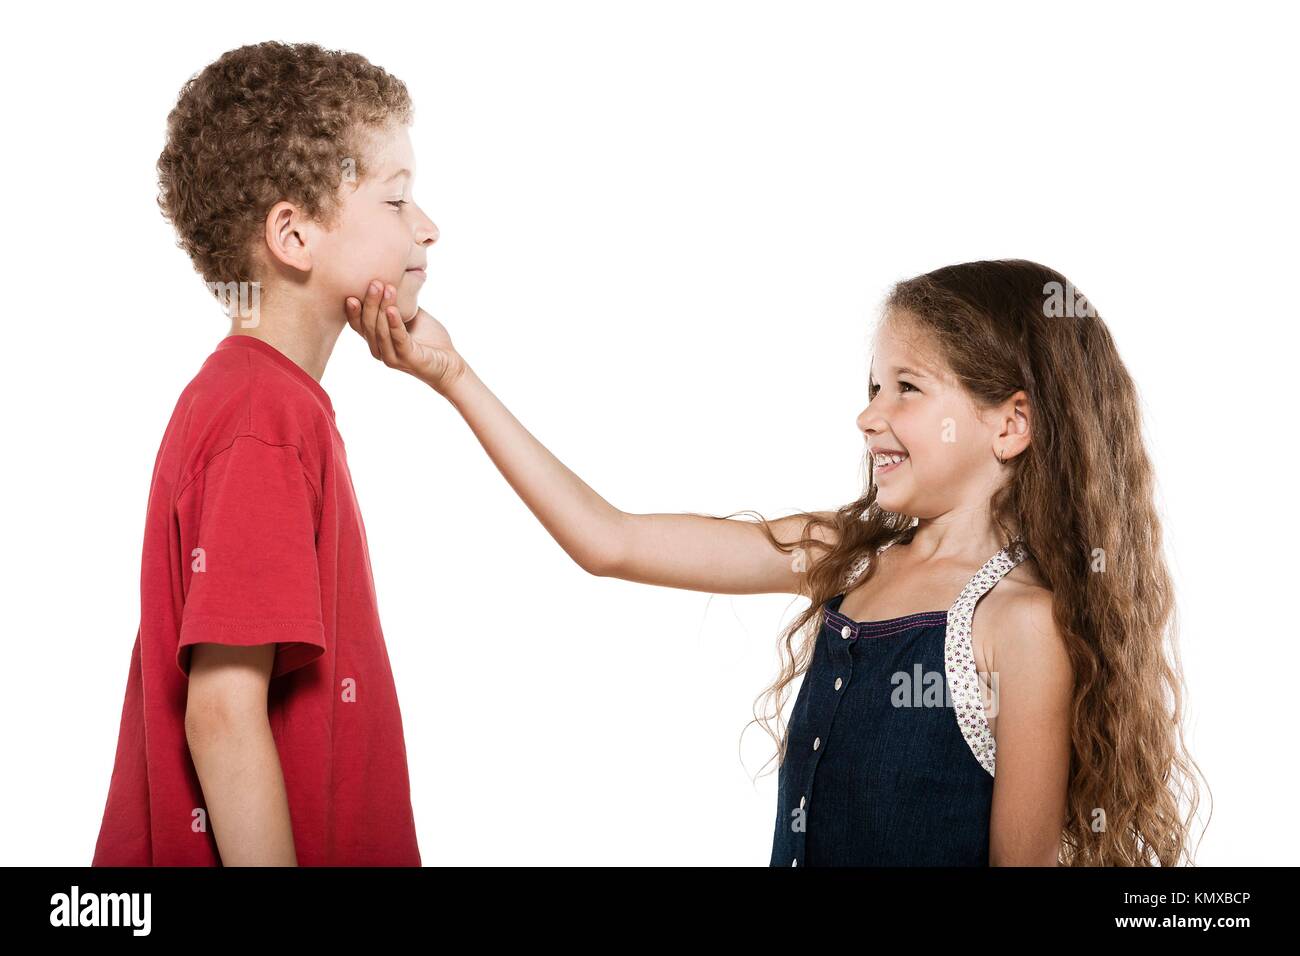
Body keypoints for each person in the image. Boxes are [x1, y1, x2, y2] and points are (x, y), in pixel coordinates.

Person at [345, 257, 1207, 866]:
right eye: (873, 387)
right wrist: (451, 374)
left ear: (1008, 424)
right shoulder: (850, 558)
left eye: (908, 387)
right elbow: (610, 540)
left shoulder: (1020, 626)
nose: (870, 417)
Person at [93, 41, 437, 866]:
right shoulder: (262, 416)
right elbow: (221, 711)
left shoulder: (262, 402)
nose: (428, 226)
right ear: (293, 234)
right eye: (396, 203)